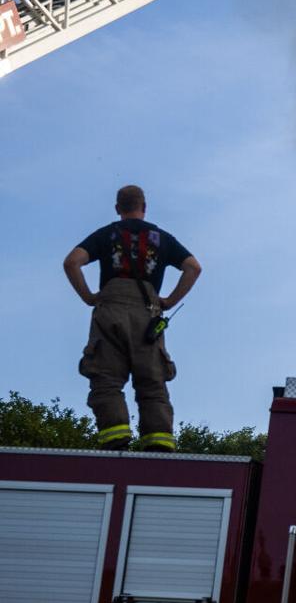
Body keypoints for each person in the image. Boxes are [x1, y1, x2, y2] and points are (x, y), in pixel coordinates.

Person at [63, 185, 201, 451]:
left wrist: (88, 297)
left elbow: (72, 262)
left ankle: (115, 438)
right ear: (144, 207)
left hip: (110, 309)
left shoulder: (106, 234)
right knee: (151, 381)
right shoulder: (162, 238)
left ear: (117, 209)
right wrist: (170, 300)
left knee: (106, 378)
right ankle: (158, 442)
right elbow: (193, 267)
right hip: (148, 313)